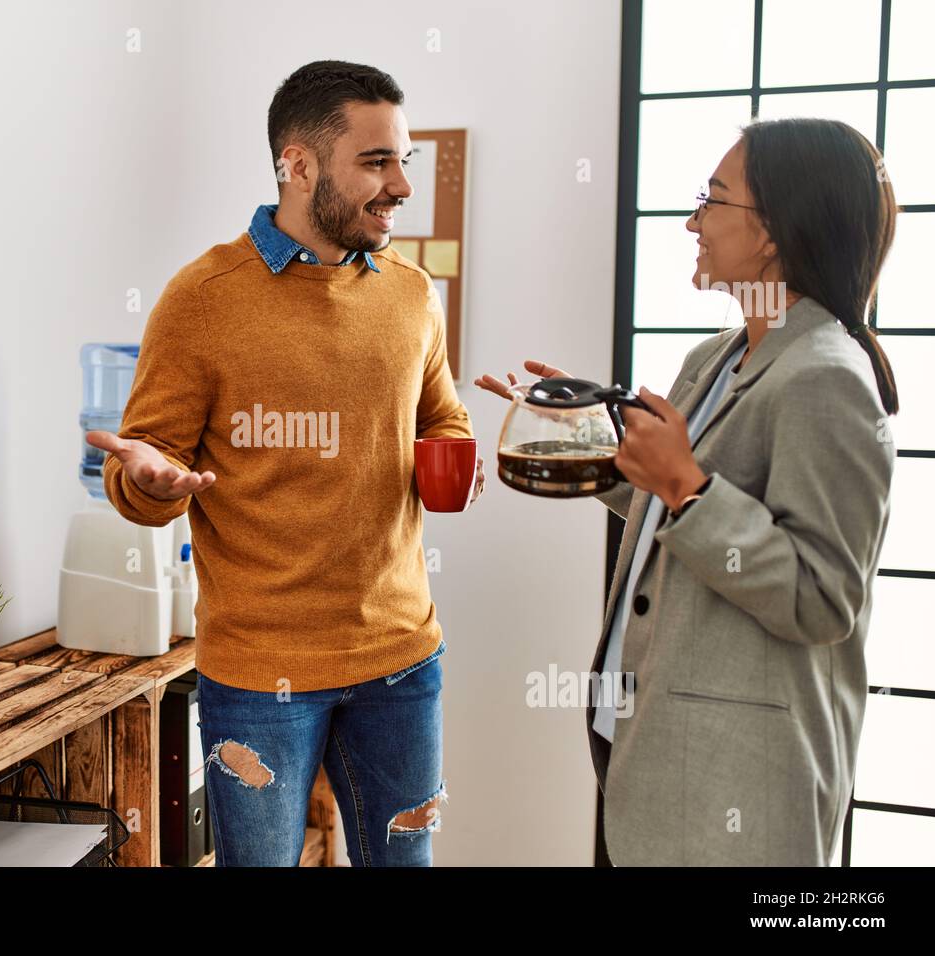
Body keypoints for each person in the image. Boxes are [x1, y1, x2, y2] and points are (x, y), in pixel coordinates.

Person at [87, 60, 481, 866]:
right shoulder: (201, 299)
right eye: (377, 162)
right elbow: (144, 471)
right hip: (258, 675)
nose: (401, 185)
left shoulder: (412, 292)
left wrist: (458, 456)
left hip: (401, 659)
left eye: (403, 159)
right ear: (296, 166)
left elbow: (439, 415)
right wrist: (152, 483)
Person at [478, 118, 898, 865]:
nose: (692, 221)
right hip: (646, 754)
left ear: (773, 230)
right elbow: (671, 506)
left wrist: (686, 484)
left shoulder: (826, 377)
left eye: (713, 200)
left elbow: (824, 598)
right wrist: (586, 443)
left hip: (738, 786)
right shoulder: (718, 355)